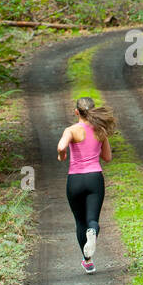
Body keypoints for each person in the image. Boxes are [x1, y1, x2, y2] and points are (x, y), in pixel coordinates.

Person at [57, 96, 115, 273]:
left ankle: (88, 261)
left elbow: (61, 147)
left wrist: (62, 156)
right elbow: (107, 158)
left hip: (75, 180)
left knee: (80, 221)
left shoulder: (71, 130)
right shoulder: (100, 131)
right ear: (93, 111)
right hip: (94, 178)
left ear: (76, 112)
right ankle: (93, 231)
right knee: (92, 220)